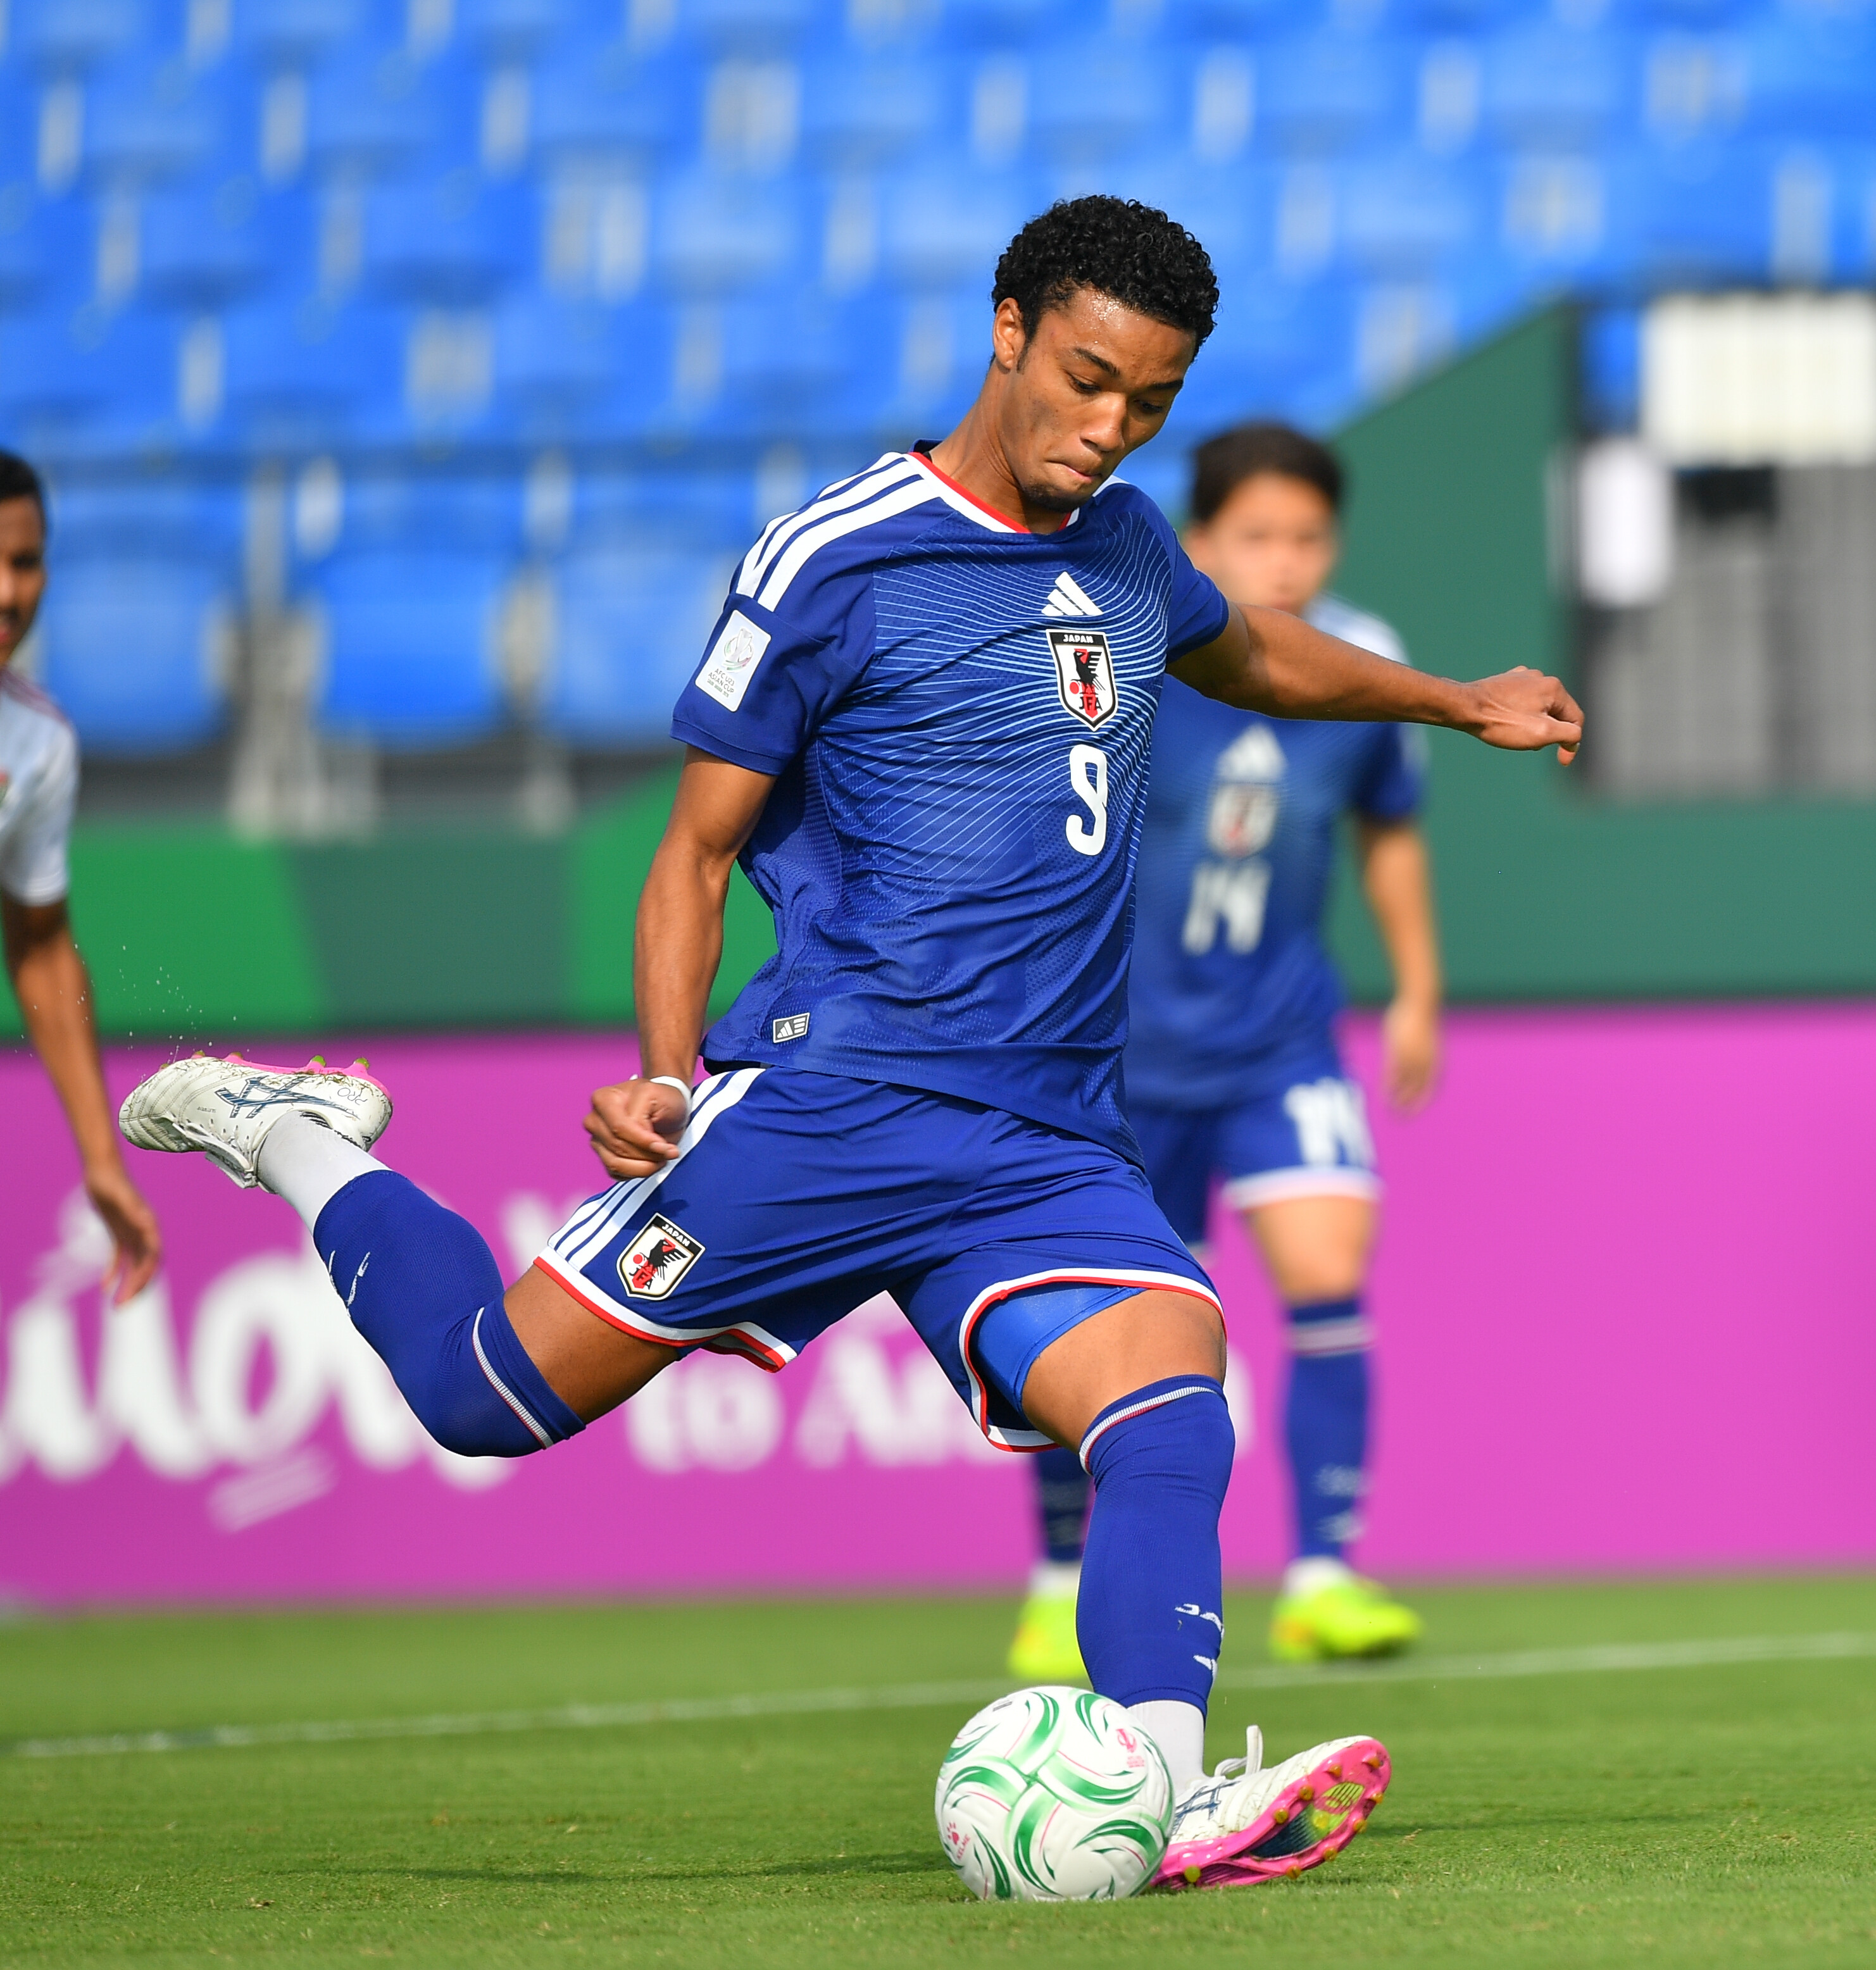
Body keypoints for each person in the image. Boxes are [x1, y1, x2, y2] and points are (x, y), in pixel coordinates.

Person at [115, 197, 1581, 1892]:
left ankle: (1153, 1785)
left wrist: (1453, 697)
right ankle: (303, 1138)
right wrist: (666, 1068)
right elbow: (694, 852)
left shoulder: (1120, 544)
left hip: (1042, 1138)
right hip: (836, 1100)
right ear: (1010, 327)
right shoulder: (836, 557)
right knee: (476, 1397)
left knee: (1174, 1407)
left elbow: (1244, 649)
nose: (1108, 428)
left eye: (1149, 404)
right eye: (1088, 379)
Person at [1008, 424, 1439, 1685]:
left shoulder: (1364, 662)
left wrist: (1416, 986)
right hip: (1117, 1054)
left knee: (1327, 1262)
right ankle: (1052, 1579)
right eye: (1256, 534)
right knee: (1101, 1323)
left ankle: (1323, 1574)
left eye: (1307, 536)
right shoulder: (1132, 646)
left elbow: (1390, 827)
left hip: (1278, 1041)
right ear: (1198, 537)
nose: (1285, 561)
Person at [0, 449, 162, 1307]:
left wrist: (101, 1160)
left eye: (23, 563)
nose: (5, 592)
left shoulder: (37, 746)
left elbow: (40, 951)